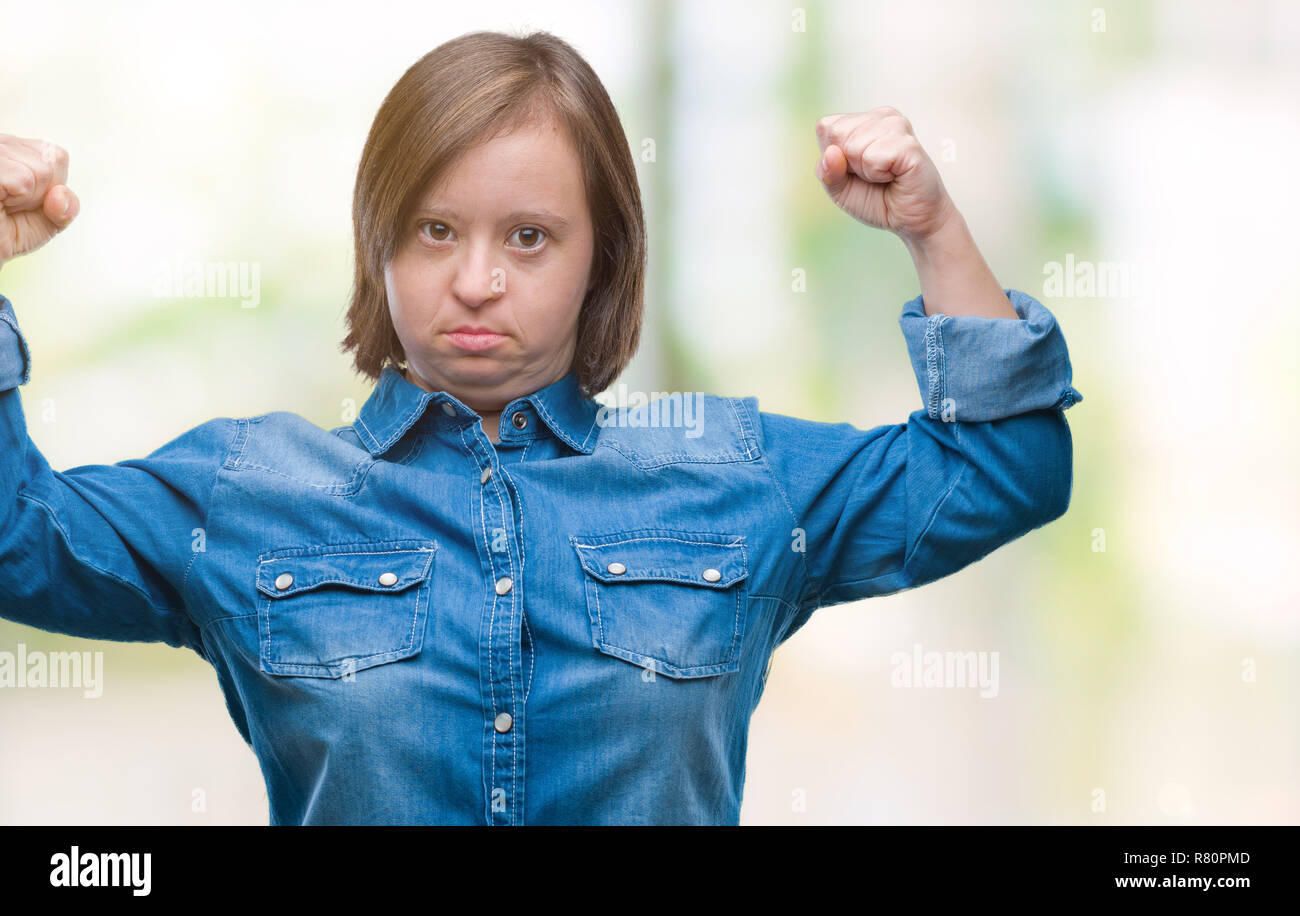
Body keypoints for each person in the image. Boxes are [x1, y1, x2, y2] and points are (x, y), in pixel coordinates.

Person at [0, 30, 1081, 825]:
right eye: (433, 230)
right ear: (378, 243)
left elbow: (1003, 466)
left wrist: (931, 230)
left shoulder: (732, 474)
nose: (475, 281)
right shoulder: (247, 487)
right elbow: (17, 538)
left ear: (601, 255)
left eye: (528, 237)